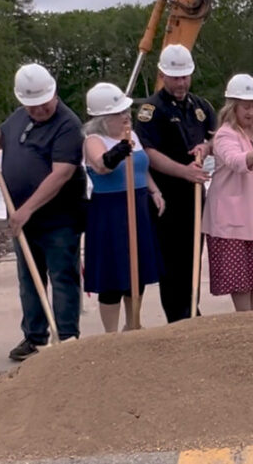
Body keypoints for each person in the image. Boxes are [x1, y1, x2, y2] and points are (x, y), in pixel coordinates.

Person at [0, 63, 86, 360]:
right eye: (31, 106)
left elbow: (61, 174)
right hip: (23, 220)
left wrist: (26, 210)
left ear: (53, 94)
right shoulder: (21, 116)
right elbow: (3, 131)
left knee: (62, 276)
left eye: (42, 105)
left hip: (58, 219)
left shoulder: (67, 124)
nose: (38, 111)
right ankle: (34, 335)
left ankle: (66, 336)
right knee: (29, 279)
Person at [135, 44, 216, 323]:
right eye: (175, 77)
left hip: (195, 193)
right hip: (166, 196)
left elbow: (215, 138)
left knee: (194, 254)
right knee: (171, 260)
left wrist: (205, 148)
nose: (181, 83)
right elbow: (149, 154)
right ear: (162, 74)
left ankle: (192, 308)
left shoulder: (201, 106)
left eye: (185, 77)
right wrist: (183, 172)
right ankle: (177, 316)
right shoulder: (150, 109)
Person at [82, 83, 165, 332]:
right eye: (119, 113)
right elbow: (102, 166)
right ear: (103, 118)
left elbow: (142, 167)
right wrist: (118, 150)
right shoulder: (93, 140)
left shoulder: (133, 136)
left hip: (138, 206)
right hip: (111, 211)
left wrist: (154, 190)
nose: (126, 116)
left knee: (135, 271)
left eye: (125, 111)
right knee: (112, 274)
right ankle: (111, 334)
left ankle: (134, 323)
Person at [201, 74, 253, 312]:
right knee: (240, 279)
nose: (250, 112)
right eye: (245, 107)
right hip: (233, 219)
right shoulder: (225, 134)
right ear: (232, 107)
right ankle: (244, 319)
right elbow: (235, 160)